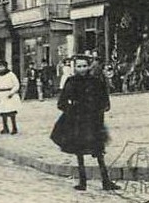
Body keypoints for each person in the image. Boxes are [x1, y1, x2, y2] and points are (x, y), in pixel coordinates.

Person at [50, 56, 120, 191]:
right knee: (79, 151)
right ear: (74, 68)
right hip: (77, 120)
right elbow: (62, 102)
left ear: (89, 66)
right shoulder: (71, 81)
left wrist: (100, 110)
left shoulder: (96, 81)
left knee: (99, 151)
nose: (82, 69)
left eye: (84, 66)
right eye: (79, 66)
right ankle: (83, 182)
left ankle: (106, 181)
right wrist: (72, 111)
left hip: (93, 119)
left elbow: (104, 99)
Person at [0, 60, 21, 134]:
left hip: (10, 95)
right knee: (3, 113)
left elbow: (16, 84)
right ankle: (5, 128)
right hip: (1, 95)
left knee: (11, 112)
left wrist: (12, 92)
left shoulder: (11, 74)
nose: (0, 68)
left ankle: (14, 128)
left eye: (2, 66)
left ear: (5, 67)